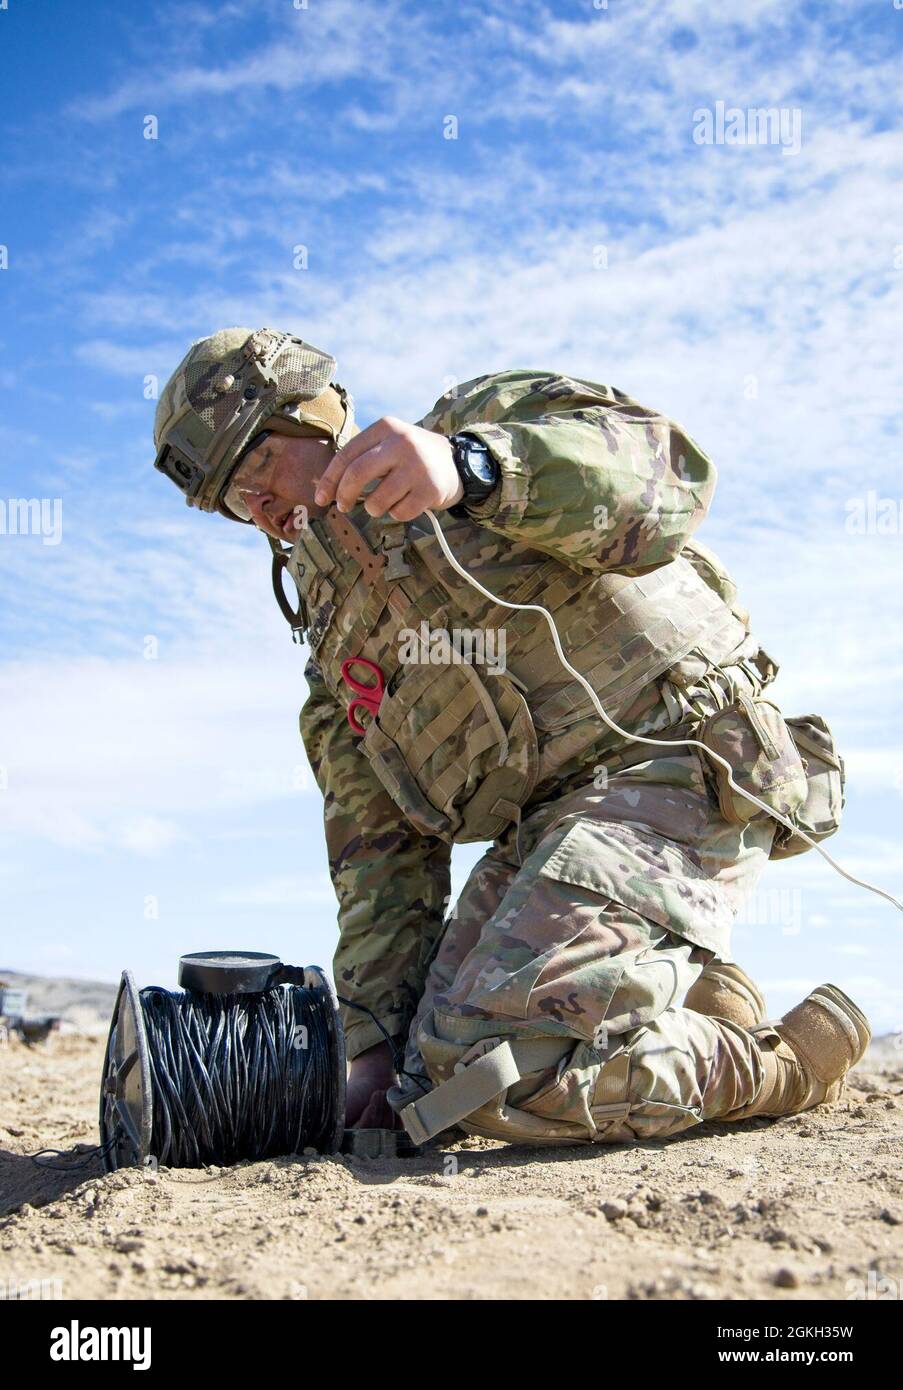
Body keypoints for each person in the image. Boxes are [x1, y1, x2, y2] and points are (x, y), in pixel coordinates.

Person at [153, 325, 869, 1146]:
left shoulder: (476, 423)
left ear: (311, 415)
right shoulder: (334, 650)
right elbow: (381, 860)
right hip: (555, 836)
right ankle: (685, 999)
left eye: (255, 469)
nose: (258, 511)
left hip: (682, 758)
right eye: (230, 502)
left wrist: (476, 469)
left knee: (485, 1074)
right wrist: (374, 1044)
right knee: (422, 1089)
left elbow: (667, 476)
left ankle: (779, 1066)